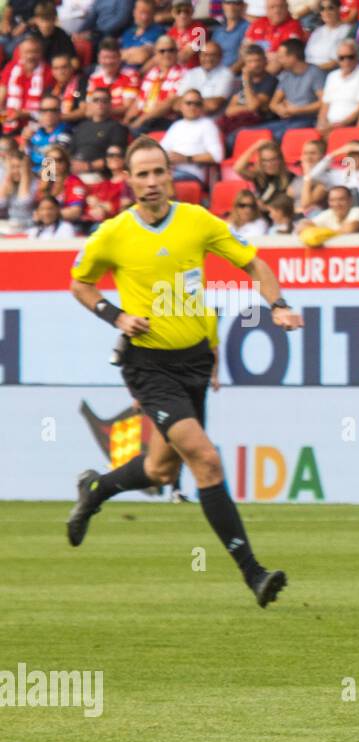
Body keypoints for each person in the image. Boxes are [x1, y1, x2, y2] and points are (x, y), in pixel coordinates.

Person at [66, 136, 301, 607]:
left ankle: (96, 488)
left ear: (170, 176)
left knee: (159, 469)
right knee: (206, 460)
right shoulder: (113, 233)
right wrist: (116, 316)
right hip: (148, 365)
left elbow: (253, 263)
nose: (152, 182)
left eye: (159, 172)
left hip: (193, 361)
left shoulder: (197, 222)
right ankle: (253, 573)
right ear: (128, 180)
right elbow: (80, 283)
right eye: (143, 174)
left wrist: (277, 304)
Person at [159, 89, 224, 183]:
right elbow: (161, 150)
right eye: (188, 103)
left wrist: (187, 158)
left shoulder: (208, 125)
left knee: (160, 181)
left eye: (197, 104)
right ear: (181, 106)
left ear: (202, 107)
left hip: (191, 174)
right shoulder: (176, 125)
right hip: (170, 171)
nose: (192, 107)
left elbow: (217, 156)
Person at [317, 38, 359, 134]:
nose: (346, 61)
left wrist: (341, 124)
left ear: (357, 57)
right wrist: (321, 123)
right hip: (329, 125)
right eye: (342, 58)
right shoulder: (332, 76)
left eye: (350, 57)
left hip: (350, 125)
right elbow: (325, 104)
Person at [180, 41, 238, 116]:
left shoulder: (227, 74)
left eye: (212, 55)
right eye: (205, 54)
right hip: (187, 120)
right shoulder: (191, 73)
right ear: (200, 56)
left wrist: (188, 104)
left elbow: (213, 105)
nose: (208, 58)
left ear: (220, 57)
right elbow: (178, 103)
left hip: (214, 121)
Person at [307, 0, 353, 69]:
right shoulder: (317, 31)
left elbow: (337, 61)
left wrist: (314, 71)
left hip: (329, 71)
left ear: (339, 9)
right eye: (322, 9)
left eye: (330, 8)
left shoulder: (347, 31)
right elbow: (307, 55)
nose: (326, 12)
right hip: (310, 71)